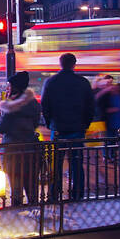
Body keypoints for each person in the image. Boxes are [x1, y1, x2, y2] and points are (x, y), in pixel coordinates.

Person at [41, 53, 95, 201]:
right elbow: (91, 106)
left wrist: (49, 123)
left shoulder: (51, 82)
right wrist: (85, 124)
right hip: (77, 128)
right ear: (74, 64)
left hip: (58, 129)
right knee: (77, 164)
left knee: (56, 164)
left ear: (60, 64)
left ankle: (54, 194)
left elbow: (45, 105)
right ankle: (77, 194)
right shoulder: (83, 82)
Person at [0, 71, 41, 207]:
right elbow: (35, 124)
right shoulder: (33, 103)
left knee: (16, 187)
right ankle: (35, 213)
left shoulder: (10, 106)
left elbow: (1, 128)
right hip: (30, 149)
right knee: (31, 185)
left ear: (15, 87)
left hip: (13, 150)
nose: (7, 89)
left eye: (9, 86)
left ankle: (17, 213)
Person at [94, 74, 120, 193]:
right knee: (108, 139)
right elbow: (97, 102)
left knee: (114, 139)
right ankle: (107, 155)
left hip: (119, 122)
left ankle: (112, 155)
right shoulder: (105, 95)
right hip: (109, 121)